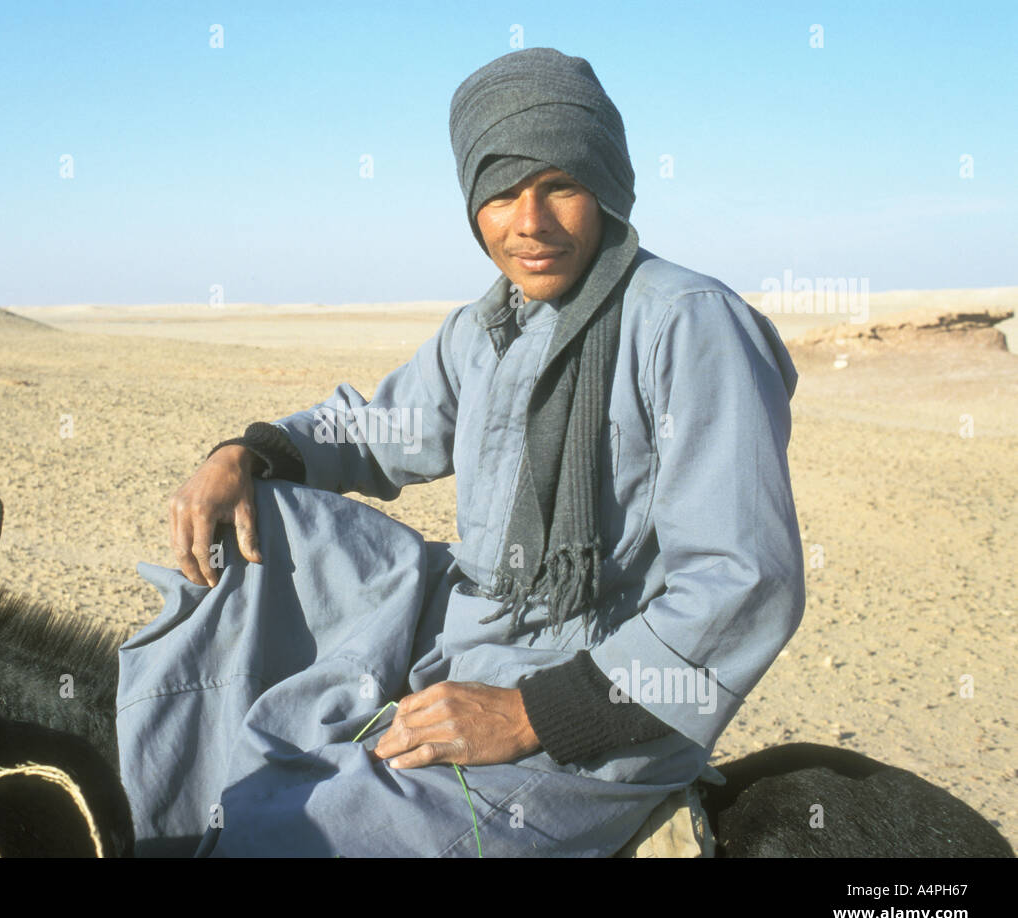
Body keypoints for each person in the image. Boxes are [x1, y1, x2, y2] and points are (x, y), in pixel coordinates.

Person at [115, 46, 806, 857]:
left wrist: (527, 716)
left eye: (561, 187)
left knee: (293, 839)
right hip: (466, 641)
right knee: (265, 520)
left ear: (610, 189)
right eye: (503, 192)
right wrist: (244, 455)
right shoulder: (484, 331)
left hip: (591, 713)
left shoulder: (687, 321)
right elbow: (377, 433)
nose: (531, 223)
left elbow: (745, 582)